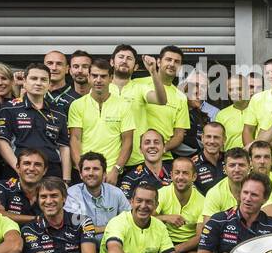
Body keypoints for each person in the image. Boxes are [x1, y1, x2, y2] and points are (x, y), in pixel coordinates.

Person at [68, 57, 136, 186]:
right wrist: (82, 170)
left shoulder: (123, 105)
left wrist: (116, 170)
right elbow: (75, 139)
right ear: (88, 77)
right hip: (85, 172)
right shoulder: (77, 105)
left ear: (111, 78)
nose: (98, 80)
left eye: (103, 76)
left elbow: (128, 141)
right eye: (94, 75)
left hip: (112, 173)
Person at [0, 62, 70, 180]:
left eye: (43, 79)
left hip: (51, 172)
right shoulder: (9, 108)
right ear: (25, 82)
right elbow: (2, 142)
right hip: (19, 170)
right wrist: (19, 168)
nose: (38, 83)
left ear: (48, 84)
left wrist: (66, 179)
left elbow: (64, 147)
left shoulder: (59, 112)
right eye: (34, 78)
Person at [124, 46, 191, 166]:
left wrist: (162, 149)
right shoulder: (137, 83)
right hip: (132, 158)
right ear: (159, 62)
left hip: (163, 159)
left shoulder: (181, 97)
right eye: (168, 59)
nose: (172, 64)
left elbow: (179, 135)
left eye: (177, 62)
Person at [155, 157, 206, 253]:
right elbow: (146, 219)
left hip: (188, 246)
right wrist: (166, 217)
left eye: (185, 173)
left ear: (194, 177)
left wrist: (177, 249)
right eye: (177, 173)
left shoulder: (203, 201)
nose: (180, 177)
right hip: (164, 242)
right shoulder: (162, 193)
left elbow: (200, 237)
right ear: (171, 175)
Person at [65, 152, 131, 232]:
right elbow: (76, 225)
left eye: (95, 169)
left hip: (111, 240)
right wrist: (109, 228)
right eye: (87, 169)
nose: (91, 173)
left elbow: (129, 221)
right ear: (81, 175)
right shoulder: (73, 193)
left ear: (104, 174)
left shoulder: (116, 193)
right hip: (83, 241)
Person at [243, 58, 272, 146]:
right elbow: (248, 130)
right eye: (267, 73)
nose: (270, 75)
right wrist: (250, 153)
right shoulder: (257, 98)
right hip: (262, 157)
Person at [0, 148, 49, 225]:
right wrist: (37, 219)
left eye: (37, 164)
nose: (31, 168)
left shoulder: (51, 192)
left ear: (44, 170)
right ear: (18, 168)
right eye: (27, 163)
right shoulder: (2, 187)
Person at [177, 69, 219, 159]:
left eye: (203, 87)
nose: (199, 90)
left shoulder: (214, 112)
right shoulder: (175, 110)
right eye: (195, 85)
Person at [120, 129, 173, 199]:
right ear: (140, 149)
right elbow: (127, 206)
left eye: (156, 142)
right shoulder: (131, 178)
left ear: (164, 148)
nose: (152, 146)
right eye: (147, 143)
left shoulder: (176, 172)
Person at [215, 74, 254, 154]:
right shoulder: (221, 114)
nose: (235, 93)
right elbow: (218, 143)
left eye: (239, 89)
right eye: (231, 90)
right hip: (231, 161)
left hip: (254, 160)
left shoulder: (257, 110)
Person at [192, 120, 226, 191]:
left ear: (224, 140)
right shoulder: (192, 165)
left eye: (216, 137)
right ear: (202, 138)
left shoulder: (231, 161)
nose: (212, 141)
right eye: (208, 137)